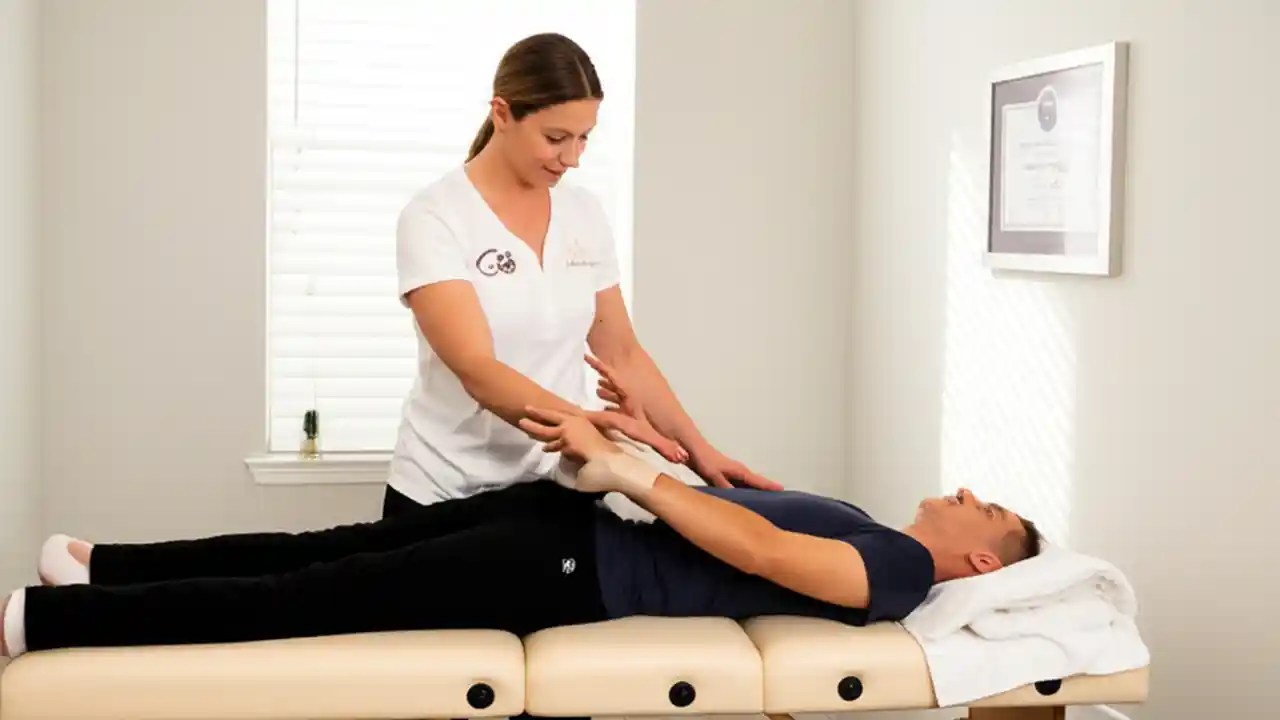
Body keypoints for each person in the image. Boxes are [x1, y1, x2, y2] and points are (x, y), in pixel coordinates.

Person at [5, 408, 1041, 658]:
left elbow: (761, 554)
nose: (966, 491)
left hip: (572, 566)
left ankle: (49, 625)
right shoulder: (874, 528)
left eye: (986, 507)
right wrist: (644, 450)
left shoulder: (900, 570)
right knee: (319, 549)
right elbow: (741, 517)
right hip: (569, 521)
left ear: (980, 561)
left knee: (307, 595)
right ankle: (100, 567)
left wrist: (629, 472)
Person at [385, 31, 778, 519]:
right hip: (443, 490)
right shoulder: (435, 217)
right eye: (555, 138)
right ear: (501, 114)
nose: (572, 158)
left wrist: (701, 453)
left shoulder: (582, 213)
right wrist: (593, 426)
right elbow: (479, 371)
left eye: (584, 137)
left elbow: (622, 353)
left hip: (553, 486)